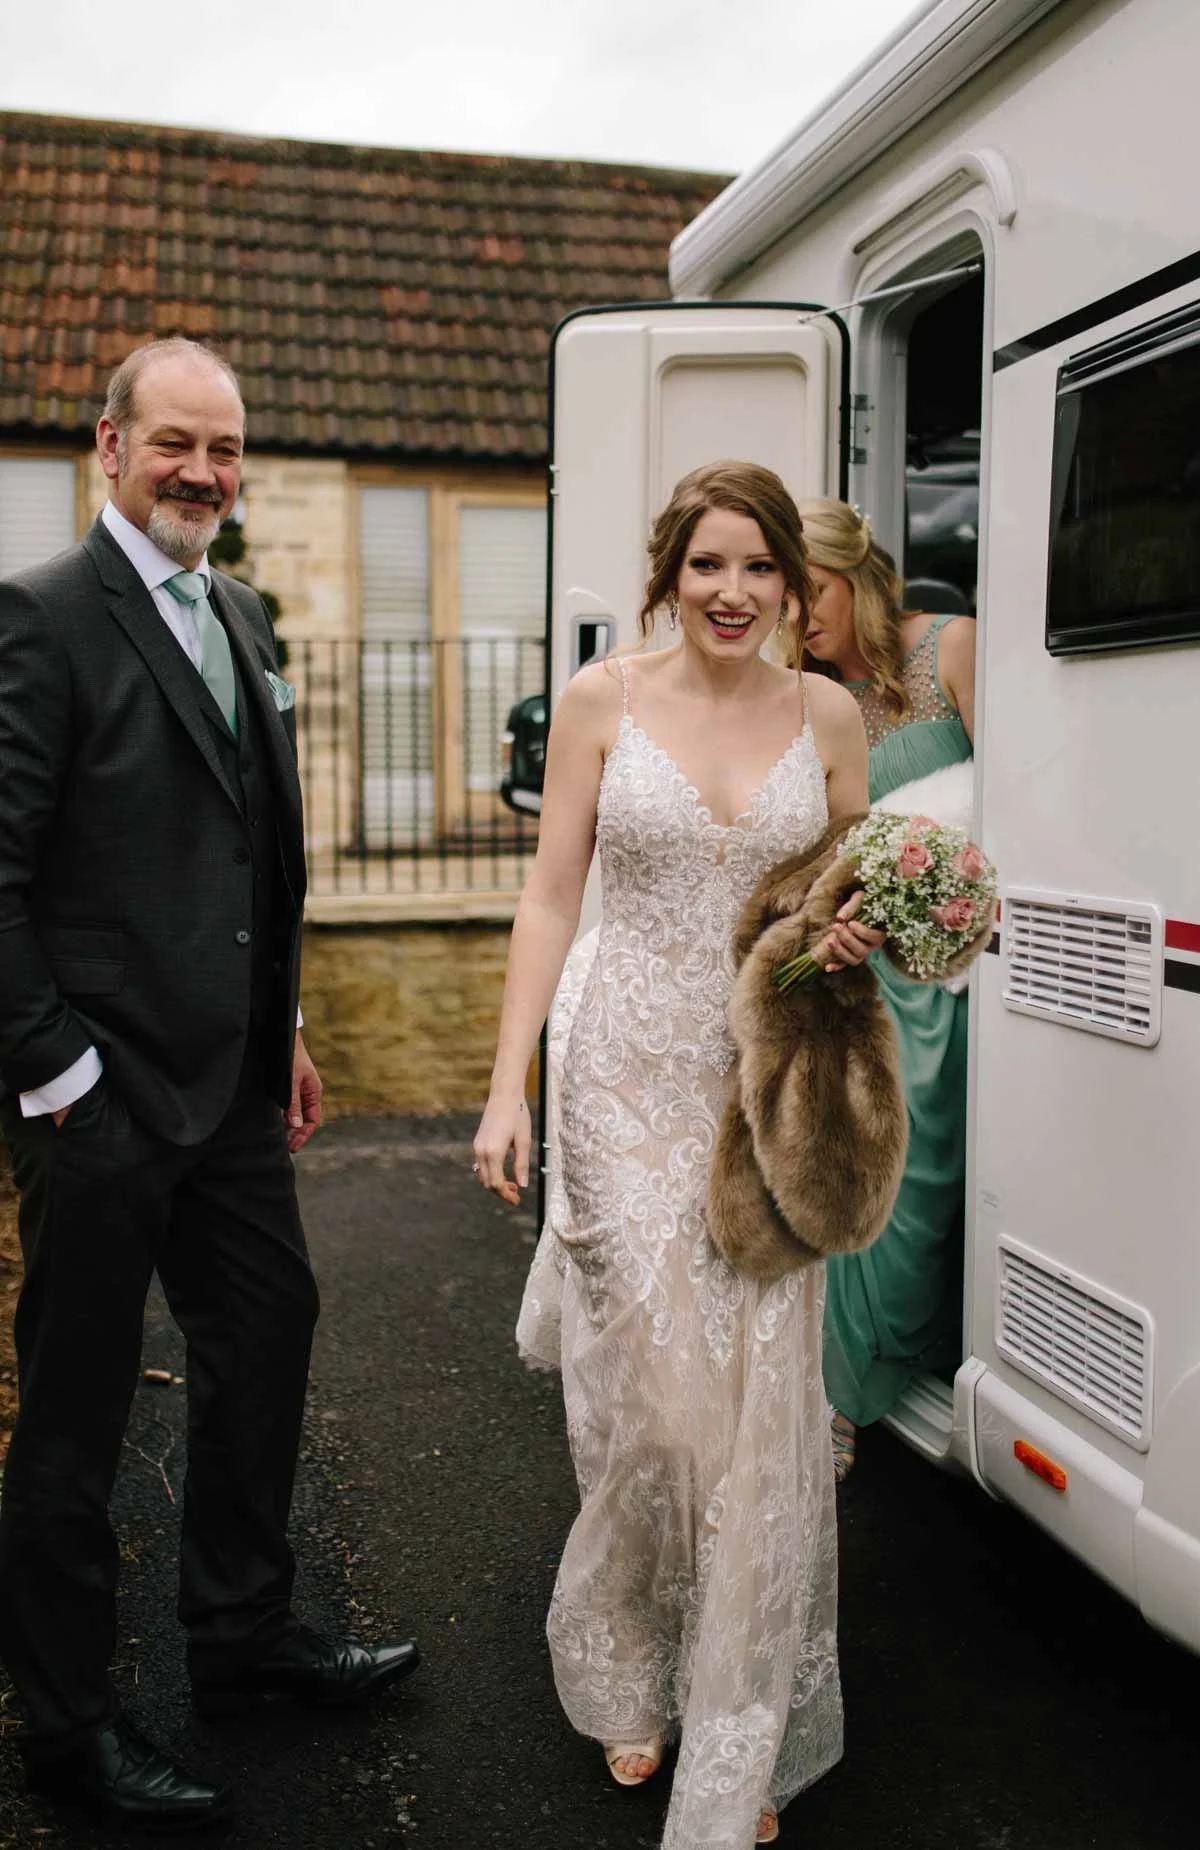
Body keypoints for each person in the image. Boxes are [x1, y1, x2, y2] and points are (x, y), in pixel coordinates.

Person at [0, 337, 419, 1832]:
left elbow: (254, 850)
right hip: (100, 1099)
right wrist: (59, 1073)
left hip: (233, 1083)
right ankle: (68, 1727)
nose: (202, 472)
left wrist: (283, 1024)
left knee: (266, 1332)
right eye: (174, 442)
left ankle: (241, 1640)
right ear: (109, 447)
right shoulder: (41, 615)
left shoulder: (237, 610)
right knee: (78, 1409)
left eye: (224, 448)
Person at [474, 462, 880, 1850]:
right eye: (708, 563)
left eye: (759, 567)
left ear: (794, 586)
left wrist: (852, 935)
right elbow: (550, 896)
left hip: (759, 1086)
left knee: (759, 1404)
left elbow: (842, 896)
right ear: (669, 572)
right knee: (654, 1397)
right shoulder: (602, 702)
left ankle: (738, 1706)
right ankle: (625, 1653)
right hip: (618, 1075)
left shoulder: (829, 715)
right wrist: (509, 1086)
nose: (732, 590)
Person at [797, 498, 977, 1483]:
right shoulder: (816, 700)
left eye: (810, 593)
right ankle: (837, 1389)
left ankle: (907, 1356)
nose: (798, 619)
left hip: (955, 965)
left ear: (854, 575)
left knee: (927, 1182)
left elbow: (1018, 797)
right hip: (861, 970)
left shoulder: (953, 647)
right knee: (856, 1172)